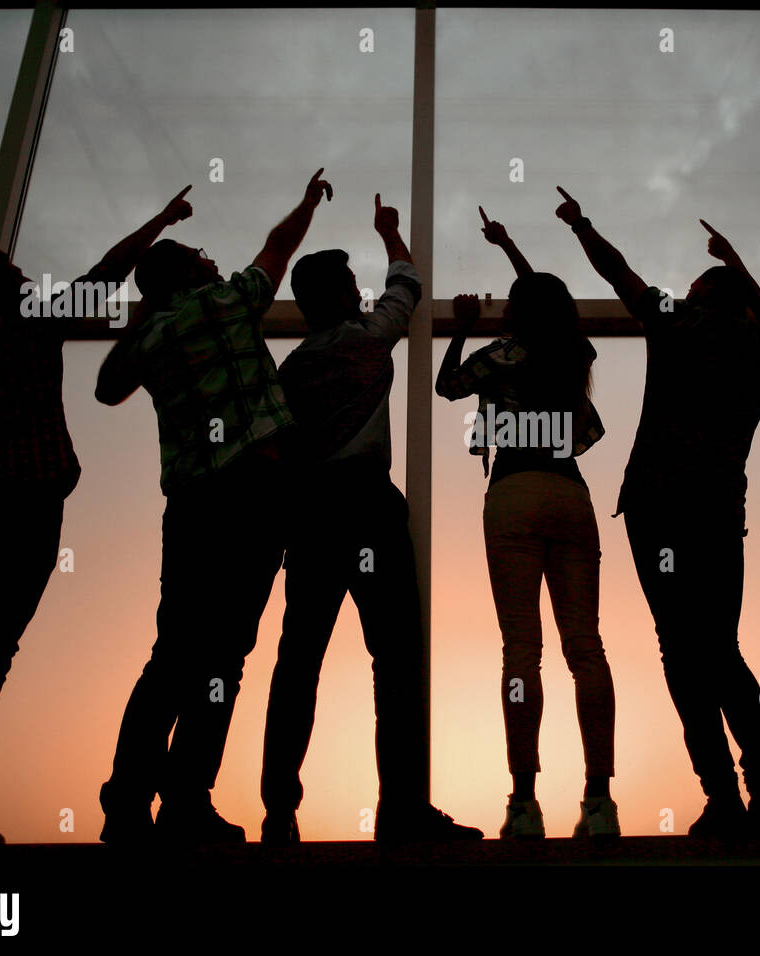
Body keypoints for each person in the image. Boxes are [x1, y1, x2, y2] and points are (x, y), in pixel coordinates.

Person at [0, 187, 194, 846]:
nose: (28, 281)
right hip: (27, 513)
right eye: (17, 277)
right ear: (0, 290)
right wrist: (159, 220)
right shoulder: (34, 321)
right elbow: (107, 272)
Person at [94, 169, 332, 846]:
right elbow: (278, 248)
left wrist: (146, 314)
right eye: (201, 257)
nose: (212, 261)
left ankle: (127, 802)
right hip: (253, 493)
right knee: (224, 656)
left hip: (191, 504)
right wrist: (306, 202)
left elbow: (106, 388)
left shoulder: (148, 338)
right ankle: (186, 802)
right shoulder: (228, 301)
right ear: (188, 274)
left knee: (172, 653)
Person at [555, 190, 760, 838]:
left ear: (704, 295)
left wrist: (581, 224)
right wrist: (740, 271)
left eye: (693, 287)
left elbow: (618, 272)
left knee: (680, 650)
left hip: (658, 508)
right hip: (718, 513)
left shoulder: (678, 322)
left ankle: (722, 798)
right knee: (721, 647)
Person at [259, 194, 481, 844]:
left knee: (299, 659)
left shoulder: (290, 372)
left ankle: (279, 810)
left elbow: (280, 454)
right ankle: (401, 809)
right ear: (343, 296)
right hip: (368, 507)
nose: (361, 292)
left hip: (312, 517)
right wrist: (390, 232)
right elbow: (407, 284)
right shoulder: (368, 340)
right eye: (353, 284)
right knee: (396, 658)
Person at [437, 209, 616, 838]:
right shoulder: (571, 352)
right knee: (586, 648)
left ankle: (523, 802)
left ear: (516, 312)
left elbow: (448, 386)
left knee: (521, 649)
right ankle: (600, 800)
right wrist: (510, 246)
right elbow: (546, 302)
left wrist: (462, 328)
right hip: (570, 493)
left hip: (512, 490)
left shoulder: (503, 354)